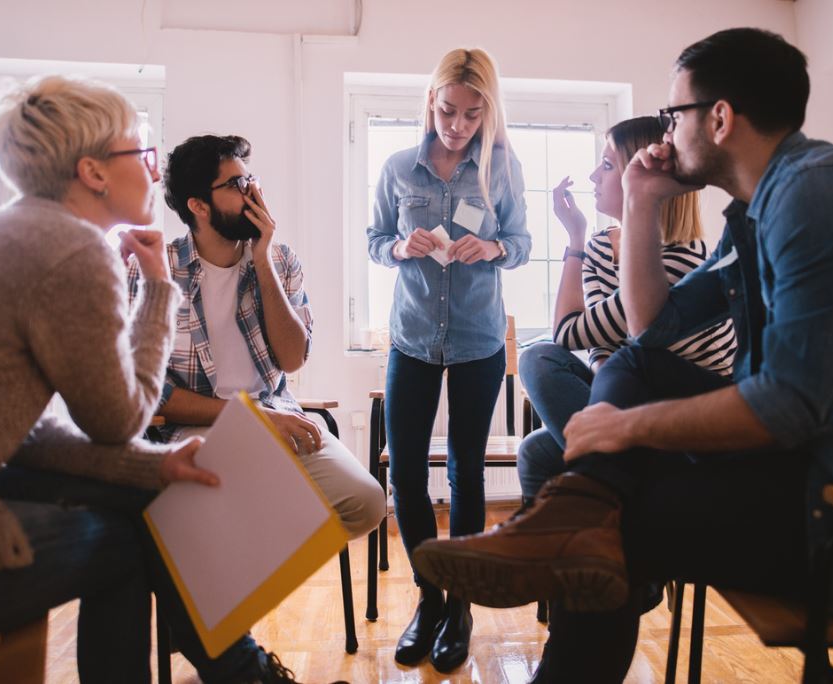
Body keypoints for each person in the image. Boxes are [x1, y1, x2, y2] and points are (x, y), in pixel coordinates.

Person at [413, 28, 833, 682]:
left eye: (673, 115)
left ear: (718, 118)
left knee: (611, 533)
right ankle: (572, 511)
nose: (665, 132)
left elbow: (784, 407)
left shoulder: (819, 199)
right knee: (613, 400)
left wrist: (626, 425)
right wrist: (639, 202)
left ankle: (565, 522)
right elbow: (652, 329)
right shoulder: (767, 206)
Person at [0, 75, 300, 683]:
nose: (153, 173)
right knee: (124, 544)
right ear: (93, 172)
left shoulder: (13, 234)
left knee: (144, 504)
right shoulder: (72, 252)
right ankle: (248, 677)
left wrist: (155, 467)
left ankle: (247, 677)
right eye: (142, 154)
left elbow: (29, 435)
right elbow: (119, 420)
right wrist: (158, 292)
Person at [129, 134, 385, 541]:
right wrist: (251, 418)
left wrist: (262, 259)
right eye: (234, 185)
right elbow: (148, 392)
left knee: (366, 502)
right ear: (198, 205)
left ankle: (246, 563)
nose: (252, 193)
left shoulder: (280, 260)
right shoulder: (152, 271)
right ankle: (236, 573)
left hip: (277, 413)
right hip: (195, 430)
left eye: (251, 180)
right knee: (211, 513)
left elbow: (292, 359)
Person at [366, 47, 531, 671]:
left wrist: (489, 246)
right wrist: (397, 248)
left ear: (487, 112)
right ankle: (429, 599)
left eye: (469, 114)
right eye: (446, 111)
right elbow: (374, 240)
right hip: (410, 340)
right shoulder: (397, 169)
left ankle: (459, 607)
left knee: (465, 471)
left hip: (477, 343)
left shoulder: (503, 169)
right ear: (430, 102)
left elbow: (520, 244)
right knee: (405, 473)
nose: (456, 125)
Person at [518, 115, 735, 500]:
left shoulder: (681, 260)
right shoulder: (603, 245)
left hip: (681, 413)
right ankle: (565, 549)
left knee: (540, 362)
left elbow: (571, 332)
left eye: (606, 166)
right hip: (626, 389)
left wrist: (608, 380)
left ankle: (609, 489)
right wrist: (577, 237)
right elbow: (589, 339)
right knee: (535, 446)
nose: (592, 177)